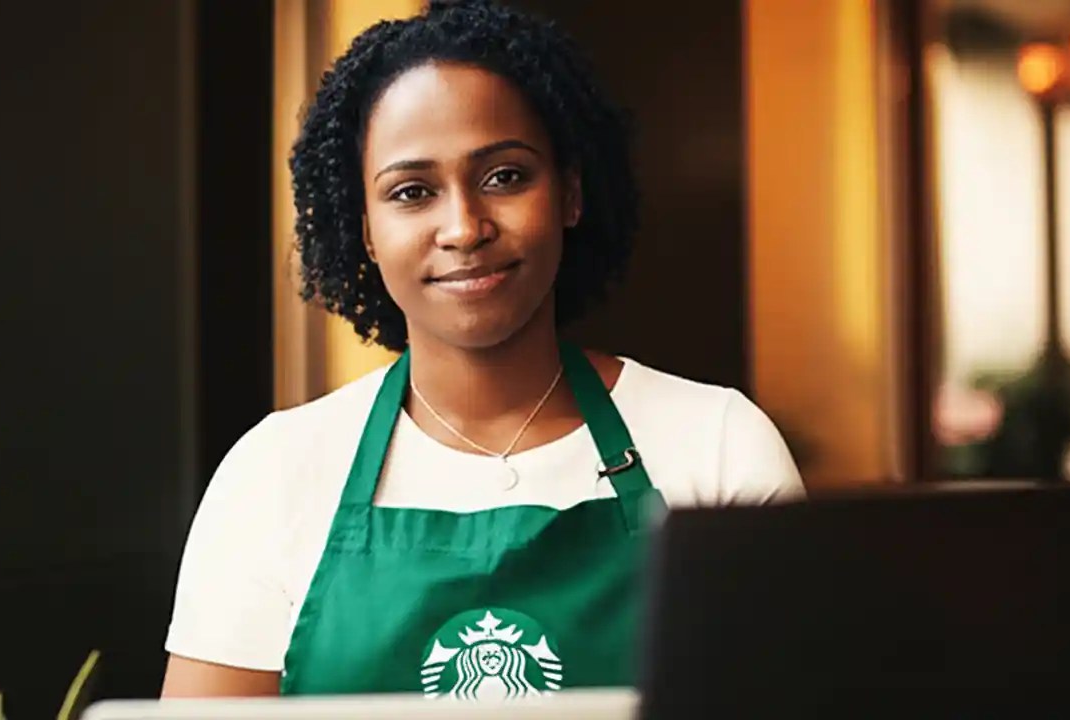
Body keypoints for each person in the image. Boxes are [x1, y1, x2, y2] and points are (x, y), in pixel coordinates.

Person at [161, 0, 804, 699]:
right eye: (411, 192)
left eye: (505, 177)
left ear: (571, 193)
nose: (464, 228)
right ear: (367, 231)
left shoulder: (717, 446)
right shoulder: (274, 472)